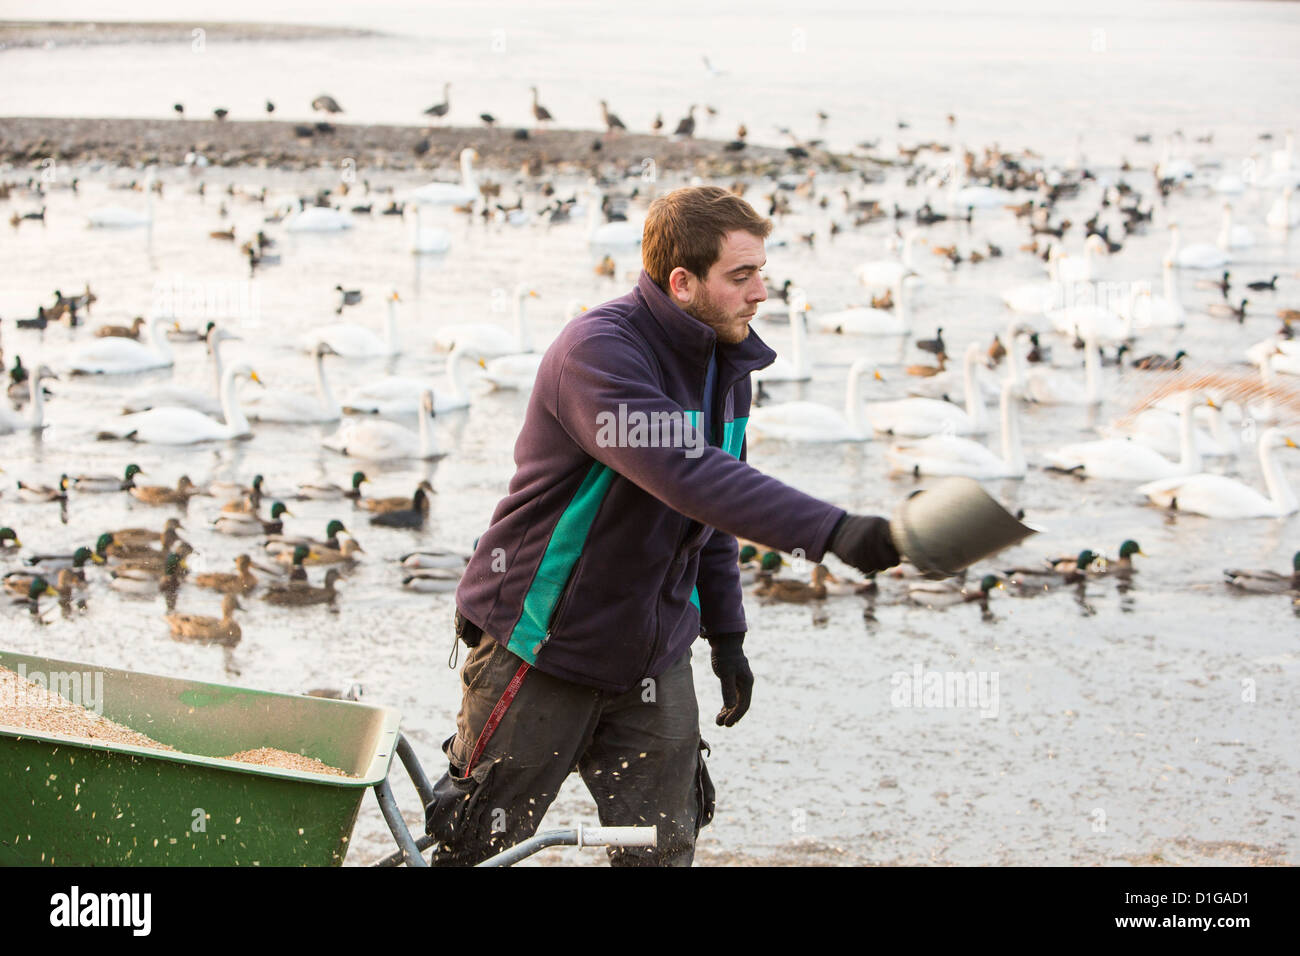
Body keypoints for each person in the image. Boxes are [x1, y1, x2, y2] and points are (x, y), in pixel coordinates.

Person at [426, 185, 902, 866]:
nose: (761, 292)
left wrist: (727, 637)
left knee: (663, 849)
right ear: (682, 282)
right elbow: (689, 475)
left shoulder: (727, 364)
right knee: (476, 844)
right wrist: (835, 532)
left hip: (652, 659)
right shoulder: (597, 354)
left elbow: (709, 514)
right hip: (540, 648)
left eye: (762, 272)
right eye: (741, 276)